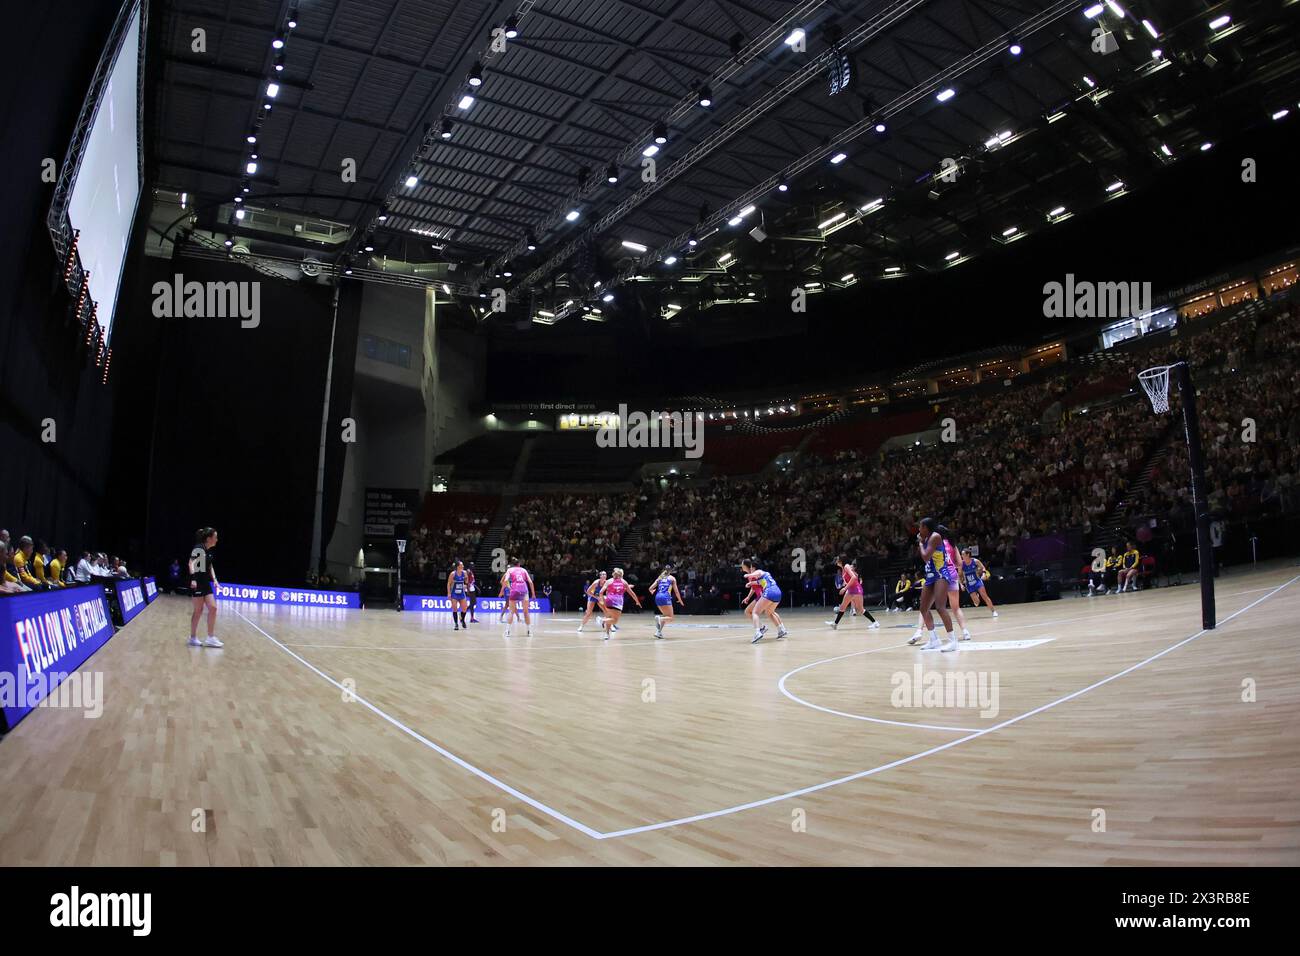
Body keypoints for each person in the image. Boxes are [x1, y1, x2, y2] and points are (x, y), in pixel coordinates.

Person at [909, 517, 958, 652]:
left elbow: (925, 556)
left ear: (926, 528)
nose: (918, 530)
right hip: (930, 575)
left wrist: (920, 543)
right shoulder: (927, 538)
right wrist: (922, 542)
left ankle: (953, 640)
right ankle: (934, 639)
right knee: (923, 608)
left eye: (920, 527)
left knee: (940, 607)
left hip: (941, 574)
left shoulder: (935, 537)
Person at [188, 527, 223, 648]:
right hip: (197, 582)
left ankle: (210, 637)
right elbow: (191, 563)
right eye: (215, 537)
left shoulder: (208, 551)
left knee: (213, 608)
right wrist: (193, 579)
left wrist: (215, 580)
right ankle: (192, 637)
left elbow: (210, 566)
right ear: (209, 539)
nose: (217, 539)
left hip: (205, 583)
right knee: (198, 611)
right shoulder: (199, 548)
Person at [741, 558, 789, 643]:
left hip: (768, 592)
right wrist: (751, 583)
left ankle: (758, 632)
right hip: (778, 592)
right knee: (769, 612)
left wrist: (748, 575)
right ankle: (781, 630)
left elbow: (757, 572)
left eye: (752, 568)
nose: (751, 569)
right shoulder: (766, 575)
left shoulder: (758, 572)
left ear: (754, 568)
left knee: (754, 612)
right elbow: (760, 583)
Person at [826, 555, 879, 630]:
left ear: (841, 560)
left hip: (856, 590)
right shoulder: (843, 569)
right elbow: (853, 577)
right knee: (842, 607)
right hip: (850, 590)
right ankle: (835, 624)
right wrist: (845, 584)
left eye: (837, 559)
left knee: (860, 609)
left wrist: (845, 588)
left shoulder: (846, 566)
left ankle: (875, 622)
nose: (836, 561)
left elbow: (854, 577)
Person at [598, 567, 642, 640]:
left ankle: (606, 634)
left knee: (609, 617)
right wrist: (637, 601)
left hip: (608, 601)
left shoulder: (609, 581)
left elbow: (600, 592)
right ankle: (602, 620)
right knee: (615, 620)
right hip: (617, 602)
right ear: (621, 575)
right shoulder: (624, 582)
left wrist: (602, 600)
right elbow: (632, 593)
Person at [501, 557, 535, 637]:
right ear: (519, 564)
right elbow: (530, 582)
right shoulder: (524, 570)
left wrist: (503, 590)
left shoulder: (510, 570)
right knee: (526, 612)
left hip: (514, 590)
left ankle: (507, 632)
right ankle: (529, 631)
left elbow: (505, 581)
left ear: (512, 565)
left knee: (511, 612)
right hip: (524, 590)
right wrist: (533, 594)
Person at [649, 564, 684, 639]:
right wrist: (680, 600)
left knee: (666, 616)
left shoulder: (660, 578)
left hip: (657, 597)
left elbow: (650, 588)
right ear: (671, 570)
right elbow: (676, 592)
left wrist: (652, 591)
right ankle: (659, 618)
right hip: (665, 597)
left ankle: (658, 632)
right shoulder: (672, 578)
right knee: (671, 617)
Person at [959, 548, 998, 616]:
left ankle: (993, 611)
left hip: (977, 582)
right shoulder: (961, 564)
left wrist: (983, 574)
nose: (961, 555)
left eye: (963, 554)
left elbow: (983, 568)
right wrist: (961, 584)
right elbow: (959, 575)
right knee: (976, 603)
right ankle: (976, 596)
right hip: (969, 584)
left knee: (985, 596)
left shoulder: (975, 561)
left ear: (968, 555)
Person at [447, 560, 470, 630]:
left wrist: (465, 585)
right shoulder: (453, 574)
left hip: (461, 593)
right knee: (455, 609)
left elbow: (466, 581)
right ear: (457, 567)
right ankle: (456, 624)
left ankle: (462, 619)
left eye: (462, 565)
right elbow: (448, 584)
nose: (463, 566)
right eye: (461, 565)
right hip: (454, 593)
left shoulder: (465, 573)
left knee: (465, 608)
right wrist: (449, 593)